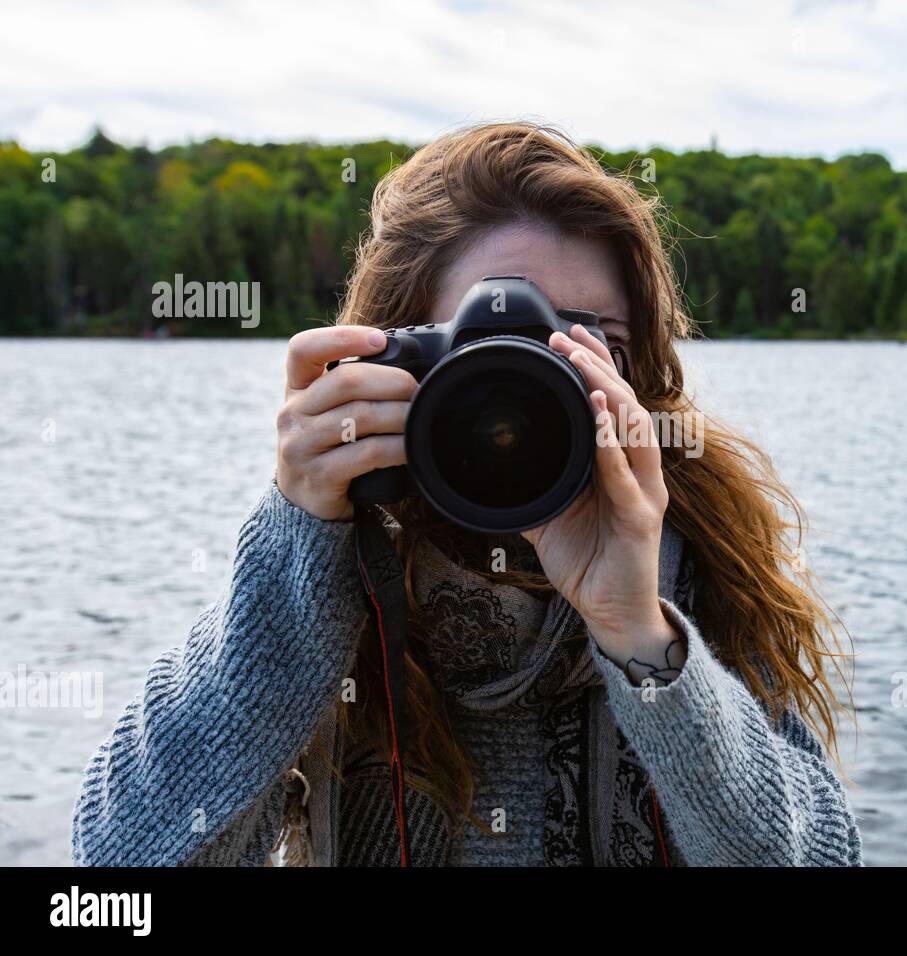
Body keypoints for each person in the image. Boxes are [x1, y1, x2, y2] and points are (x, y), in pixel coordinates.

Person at [71, 121, 863, 866]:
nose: (535, 390)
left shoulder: (692, 565)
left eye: (595, 346)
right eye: (491, 349)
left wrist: (639, 630)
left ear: (642, 382)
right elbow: (118, 864)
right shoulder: (331, 570)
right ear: (388, 364)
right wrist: (300, 538)